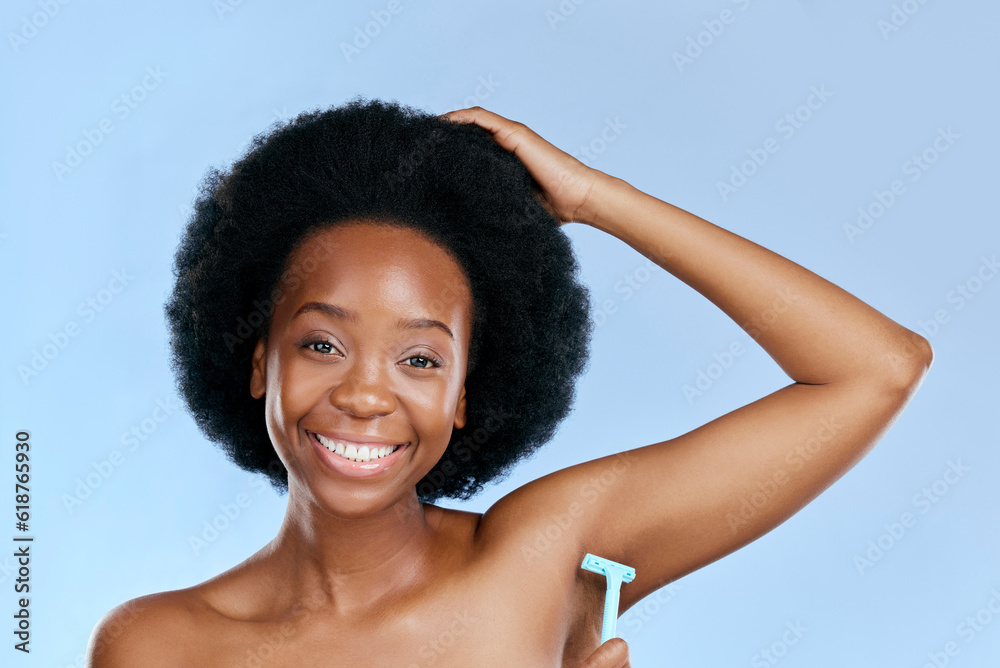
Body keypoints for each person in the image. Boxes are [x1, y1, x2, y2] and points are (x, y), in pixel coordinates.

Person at [85, 99, 931, 667]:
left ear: (465, 395)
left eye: (420, 359)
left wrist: (595, 199)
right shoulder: (159, 645)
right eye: (322, 344)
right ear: (258, 361)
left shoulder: (548, 555)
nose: (366, 396)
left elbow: (875, 368)